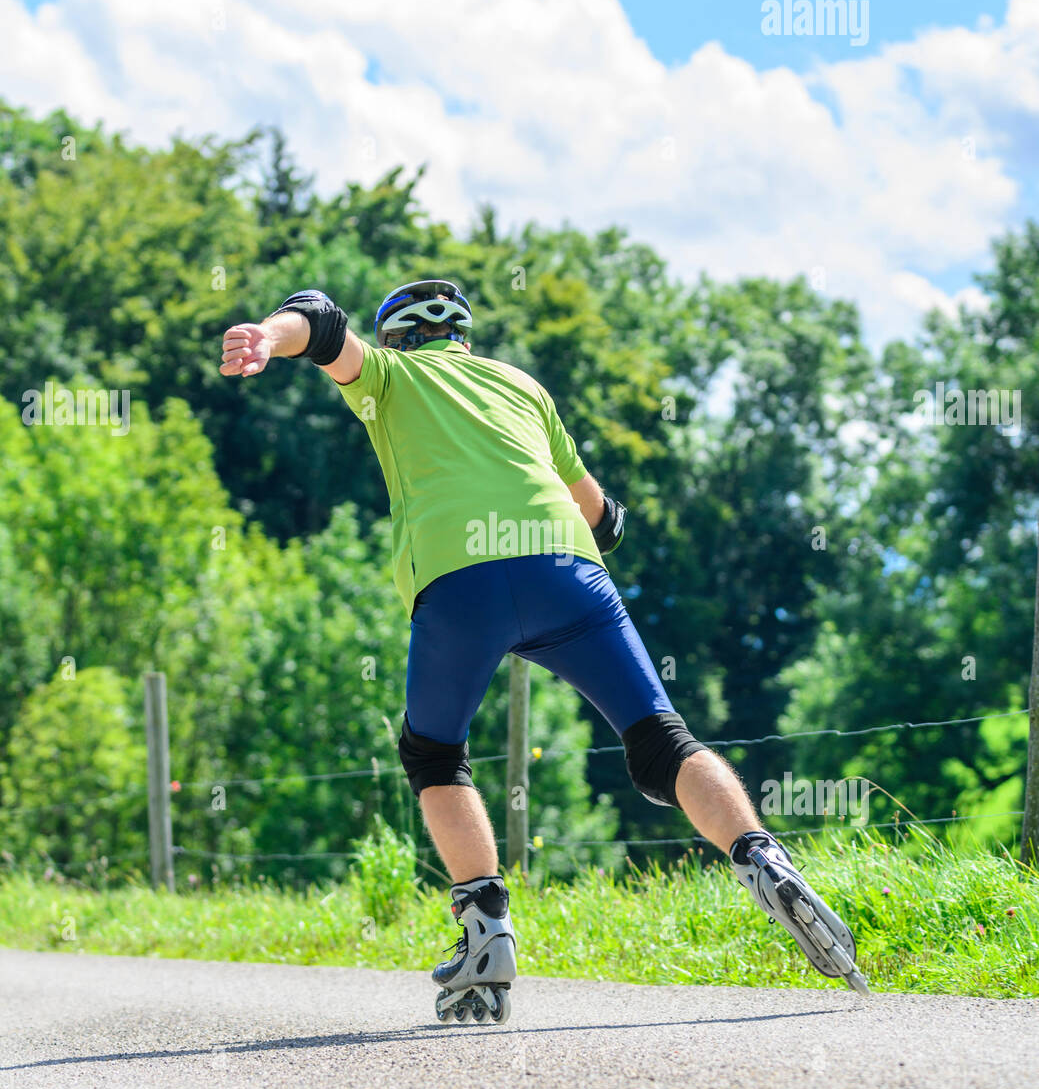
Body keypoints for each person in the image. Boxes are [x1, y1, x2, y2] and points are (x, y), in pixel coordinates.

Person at [220, 279, 868, 1022]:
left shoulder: (391, 378)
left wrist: (269, 337)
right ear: (461, 335)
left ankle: (485, 926)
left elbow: (321, 322)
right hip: (567, 569)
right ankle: (759, 855)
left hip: (458, 577)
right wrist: (604, 518)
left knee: (434, 753)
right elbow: (598, 514)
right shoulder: (523, 387)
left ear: (397, 338)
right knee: (661, 740)